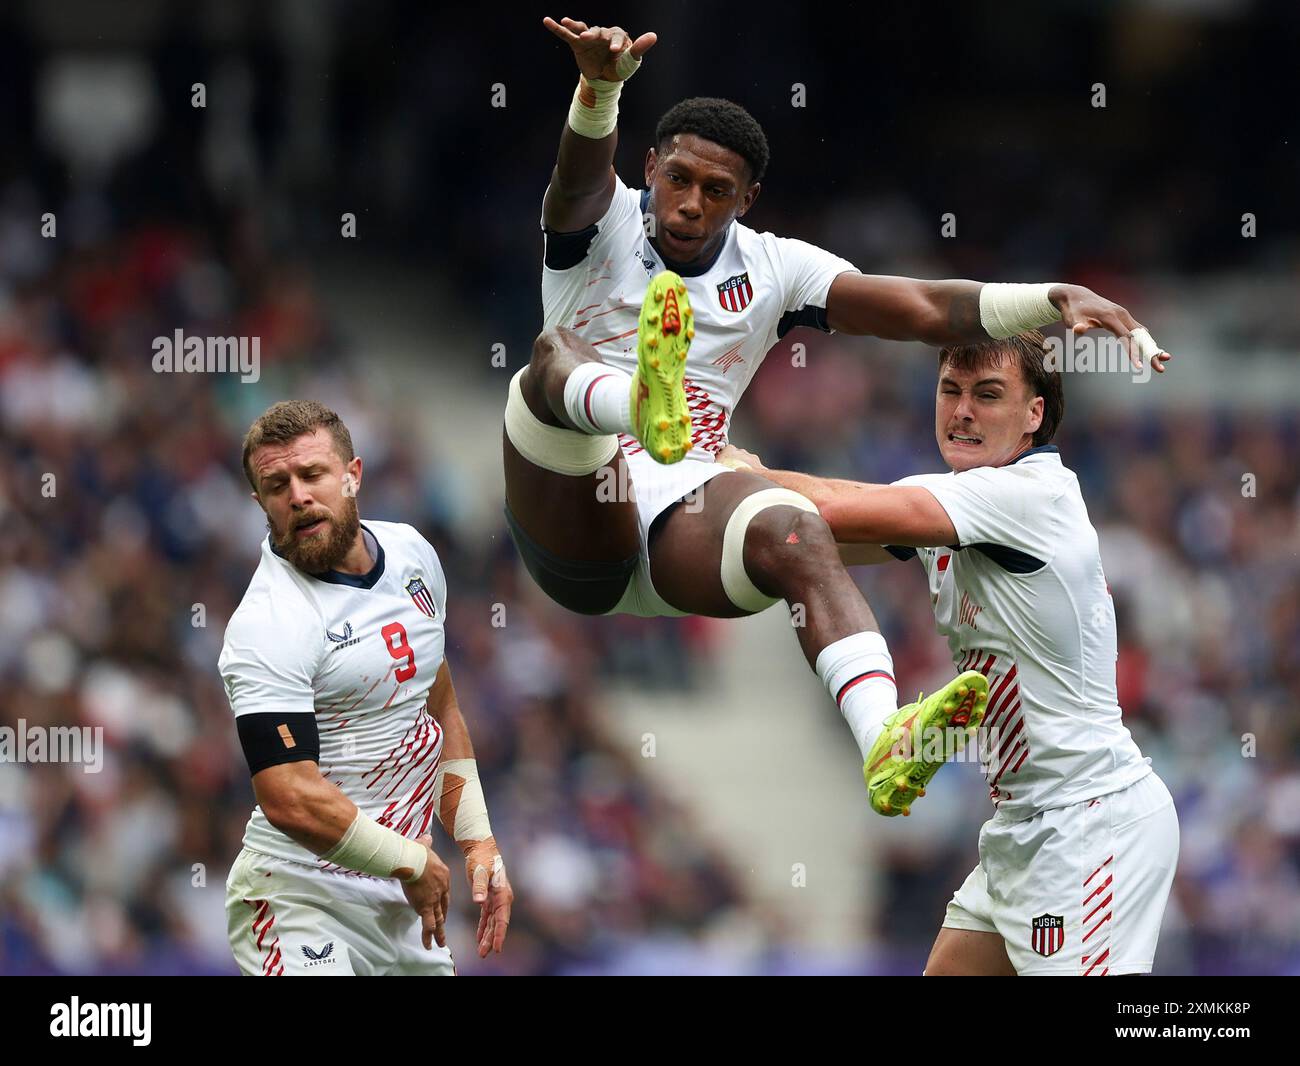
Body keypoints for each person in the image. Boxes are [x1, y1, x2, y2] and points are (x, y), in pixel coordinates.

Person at [502, 17, 1170, 800]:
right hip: (571, 499)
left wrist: (1047, 299)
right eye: (677, 179)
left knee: (794, 527)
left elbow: (919, 306)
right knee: (549, 360)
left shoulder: (776, 268)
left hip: (678, 513)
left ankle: (884, 735)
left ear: (747, 199)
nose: (688, 204)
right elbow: (577, 179)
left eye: (716, 192)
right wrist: (599, 89)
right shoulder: (605, 218)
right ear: (649, 167)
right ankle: (639, 402)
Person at [719, 331, 1179, 976]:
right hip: (1023, 822)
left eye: (988, 395)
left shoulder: (1022, 495)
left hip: (1089, 822)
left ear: (1035, 414)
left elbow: (827, 505)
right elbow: (813, 534)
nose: (962, 410)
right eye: (951, 390)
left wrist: (728, 466)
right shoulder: (964, 502)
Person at [219, 400, 512, 975]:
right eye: (277, 485)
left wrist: (478, 843)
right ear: (261, 504)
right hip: (297, 894)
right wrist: (409, 860)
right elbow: (288, 797)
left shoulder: (413, 555)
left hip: (399, 901)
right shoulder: (269, 623)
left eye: (312, 475)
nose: (298, 496)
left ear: (353, 475)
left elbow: (438, 706)